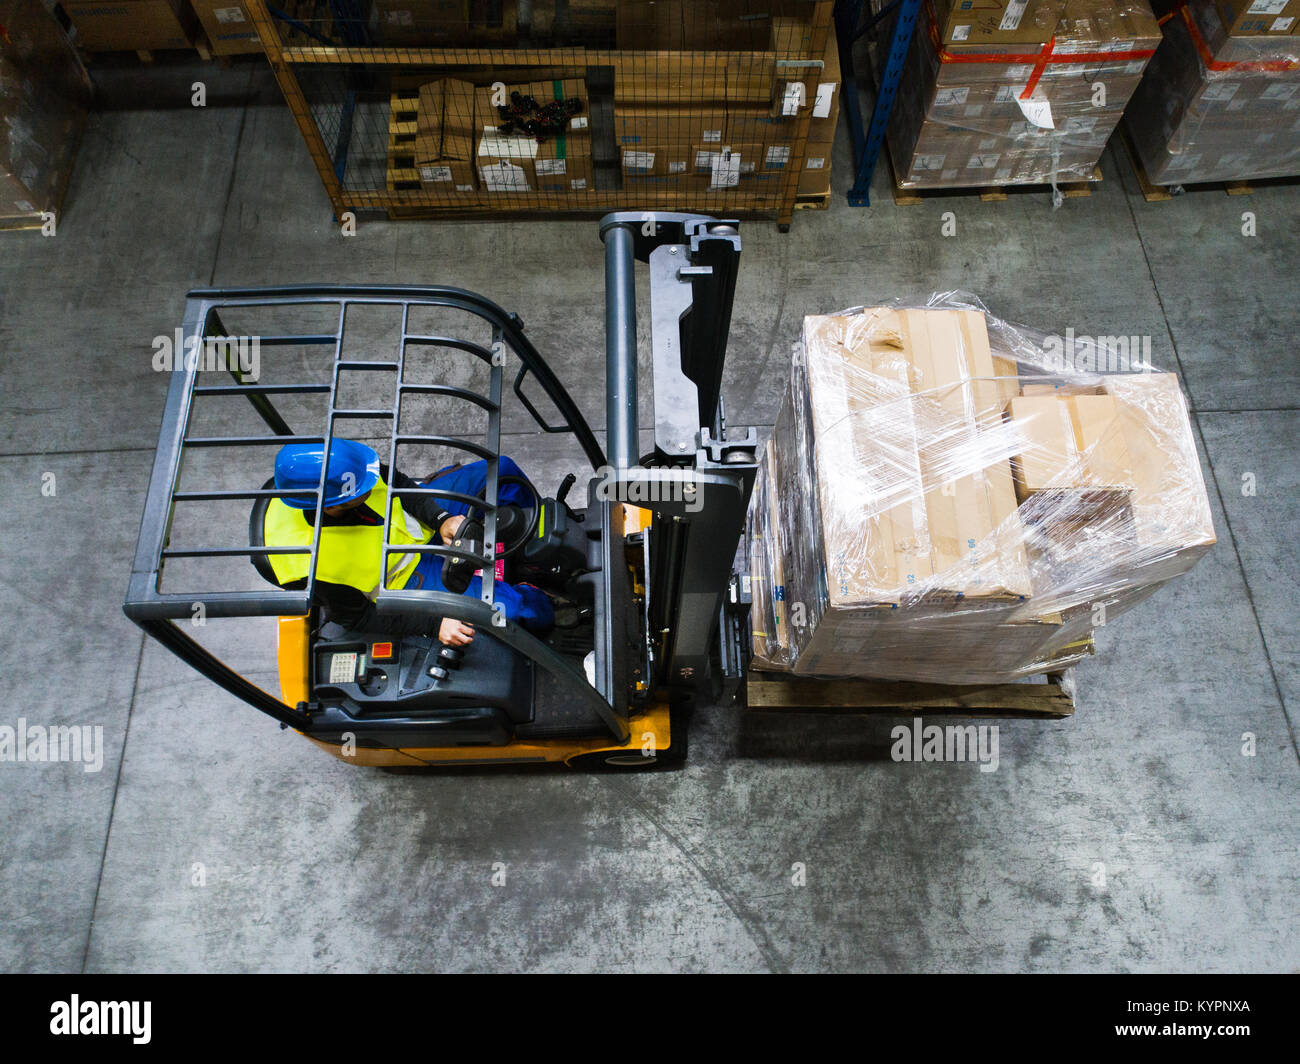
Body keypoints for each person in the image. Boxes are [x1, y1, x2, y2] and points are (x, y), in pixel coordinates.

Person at [261, 439, 553, 646]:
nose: (371, 484)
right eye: (361, 491)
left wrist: (440, 518)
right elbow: (359, 619)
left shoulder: (351, 469)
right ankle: (550, 603)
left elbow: (397, 482)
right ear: (330, 506)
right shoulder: (306, 563)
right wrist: (434, 625)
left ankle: (539, 546)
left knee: (502, 470)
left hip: (416, 517)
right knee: (509, 611)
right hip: (405, 576)